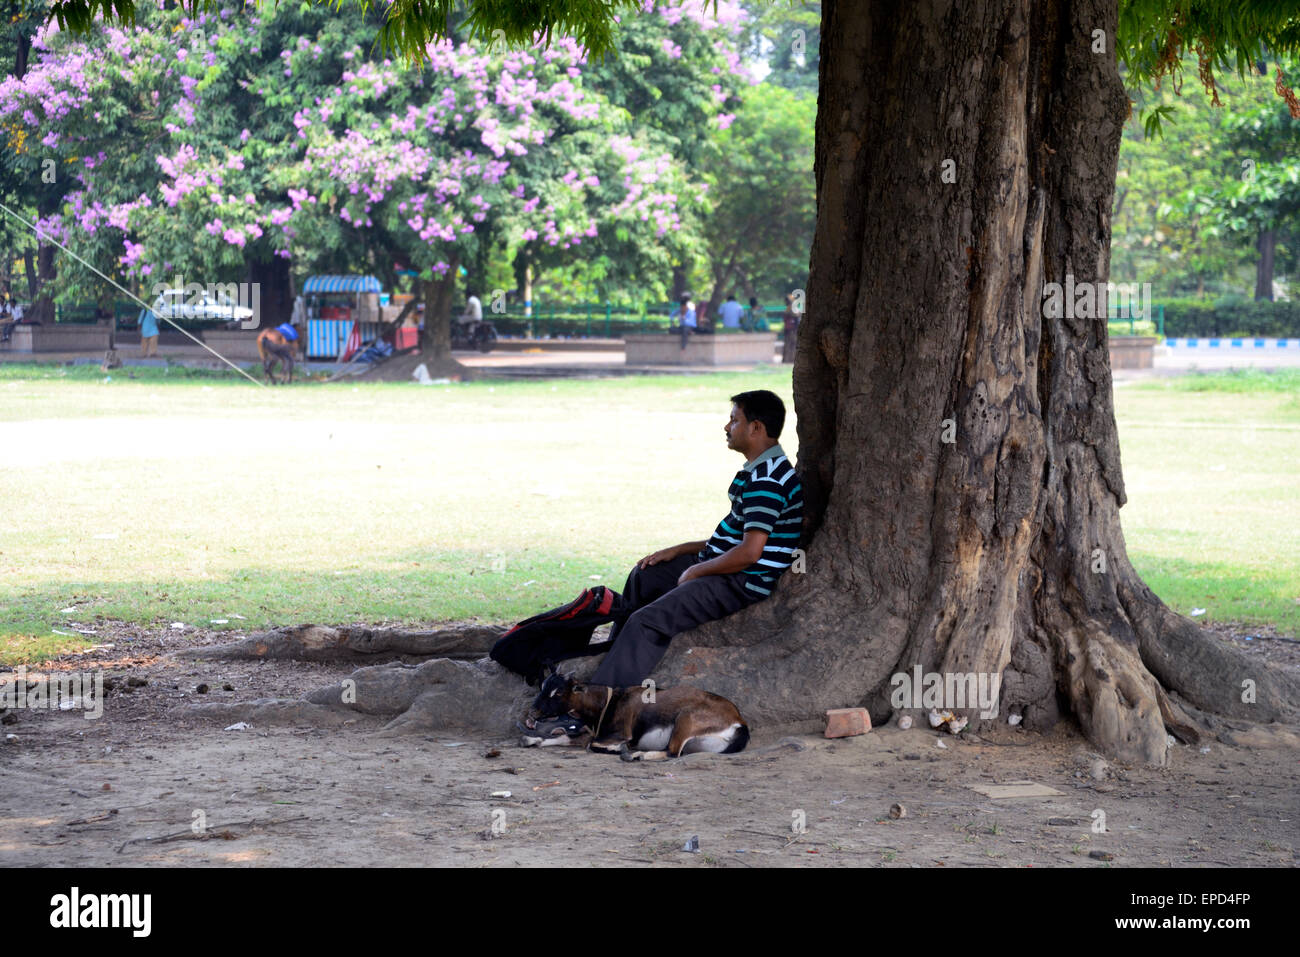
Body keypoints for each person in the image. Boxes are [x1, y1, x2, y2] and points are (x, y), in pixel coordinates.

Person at [587, 390, 804, 688]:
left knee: (646, 621)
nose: (727, 427)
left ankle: (601, 700)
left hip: (739, 581)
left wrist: (695, 570)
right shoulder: (761, 471)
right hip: (723, 565)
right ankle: (614, 655)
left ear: (756, 428)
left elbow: (750, 553)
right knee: (644, 575)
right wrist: (678, 551)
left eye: (734, 421)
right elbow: (735, 539)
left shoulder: (767, 480)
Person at [781, 293, 799, 363]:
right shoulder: (792, 308)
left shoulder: (790, 309)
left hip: (791, 329)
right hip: (791, 329)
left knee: (790, 344)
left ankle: (788, 360)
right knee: (791, 344)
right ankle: (789, 360)